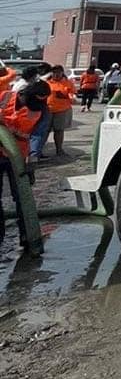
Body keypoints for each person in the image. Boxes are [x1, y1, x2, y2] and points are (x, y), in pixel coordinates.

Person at [0, 80, 49, 252]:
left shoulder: (42, 110)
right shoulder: (4, 97)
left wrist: (32, 162)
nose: (34, 107)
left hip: (17, 157)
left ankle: (27, 237)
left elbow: (37, 136)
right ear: (22, 94)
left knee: (22, 197)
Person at [45, 65, 76, 157]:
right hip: (47, 110)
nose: (56, 74)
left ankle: (59, 150)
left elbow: (72, 94)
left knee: (59, 131)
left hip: (62, 110)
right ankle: (39, 151)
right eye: (54, 72)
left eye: (58, 72)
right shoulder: (46, 83)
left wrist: (69, 97)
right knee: (45, 131)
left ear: (62, 72)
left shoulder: (68, 83)